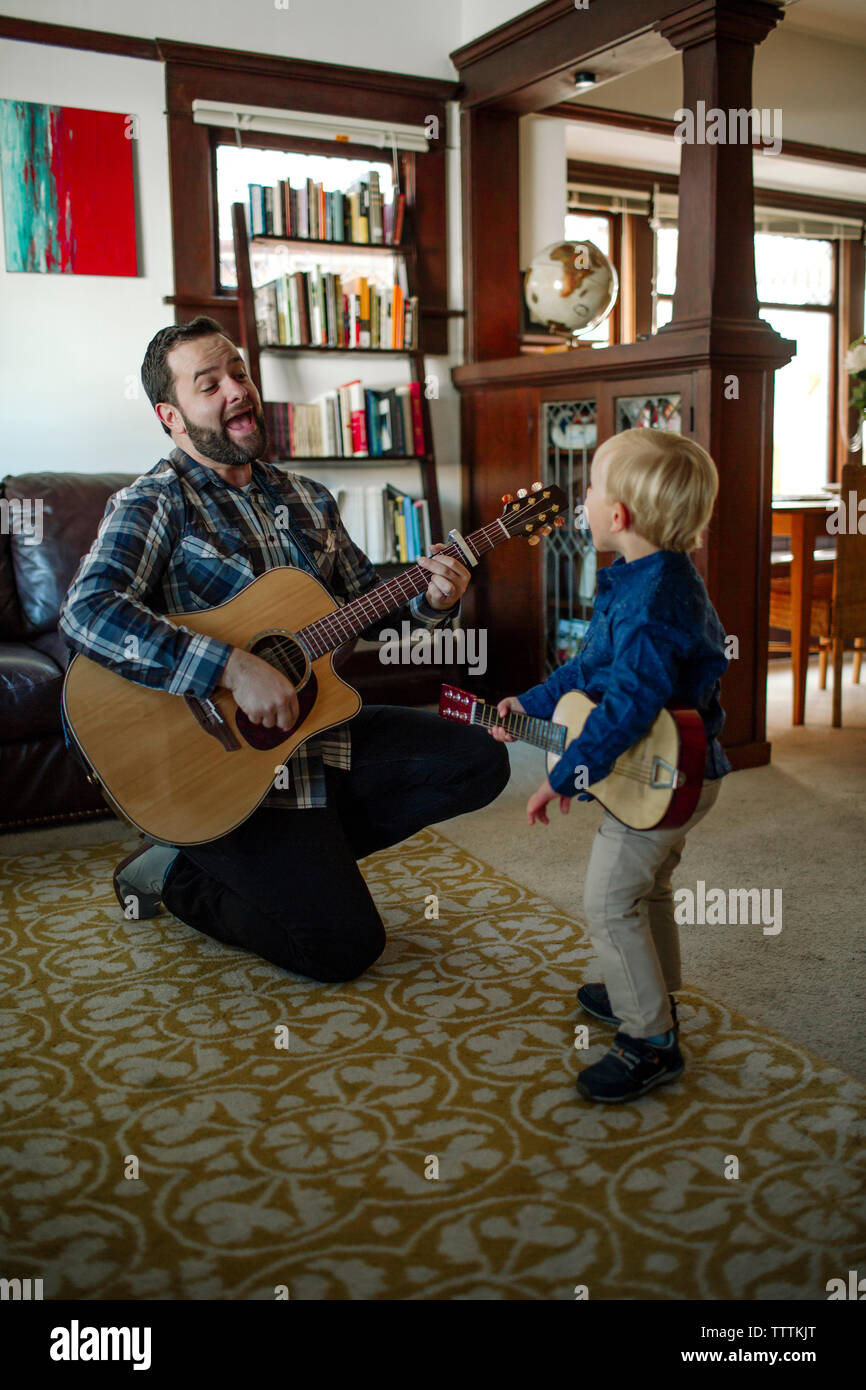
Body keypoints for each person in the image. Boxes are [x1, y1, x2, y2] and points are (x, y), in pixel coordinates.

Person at [59, 316, 509, 982]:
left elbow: (374, 606)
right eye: (208, 384)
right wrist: (231, 668)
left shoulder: (307, 499)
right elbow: (88, 611)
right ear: (171, 415)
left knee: (481, 761)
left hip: (313, 740)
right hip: (217, 769)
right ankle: (184, 875)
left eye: (238, 372)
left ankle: (295, 862)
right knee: (343, 948)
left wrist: (434, 599)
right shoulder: (156, 502)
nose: (235, 390)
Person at [491, 427, 731, 1104]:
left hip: (666, 779)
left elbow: (624, 711)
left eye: (591, 487)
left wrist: (560, 777)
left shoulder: (653, 604)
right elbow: (589, 670)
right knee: (647, 887)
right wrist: (529, 703)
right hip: (689, 771)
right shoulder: (640, 579)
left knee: (607, 901)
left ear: (618, 516)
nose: (584, 499)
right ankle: (653, 986)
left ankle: (649, 1040)